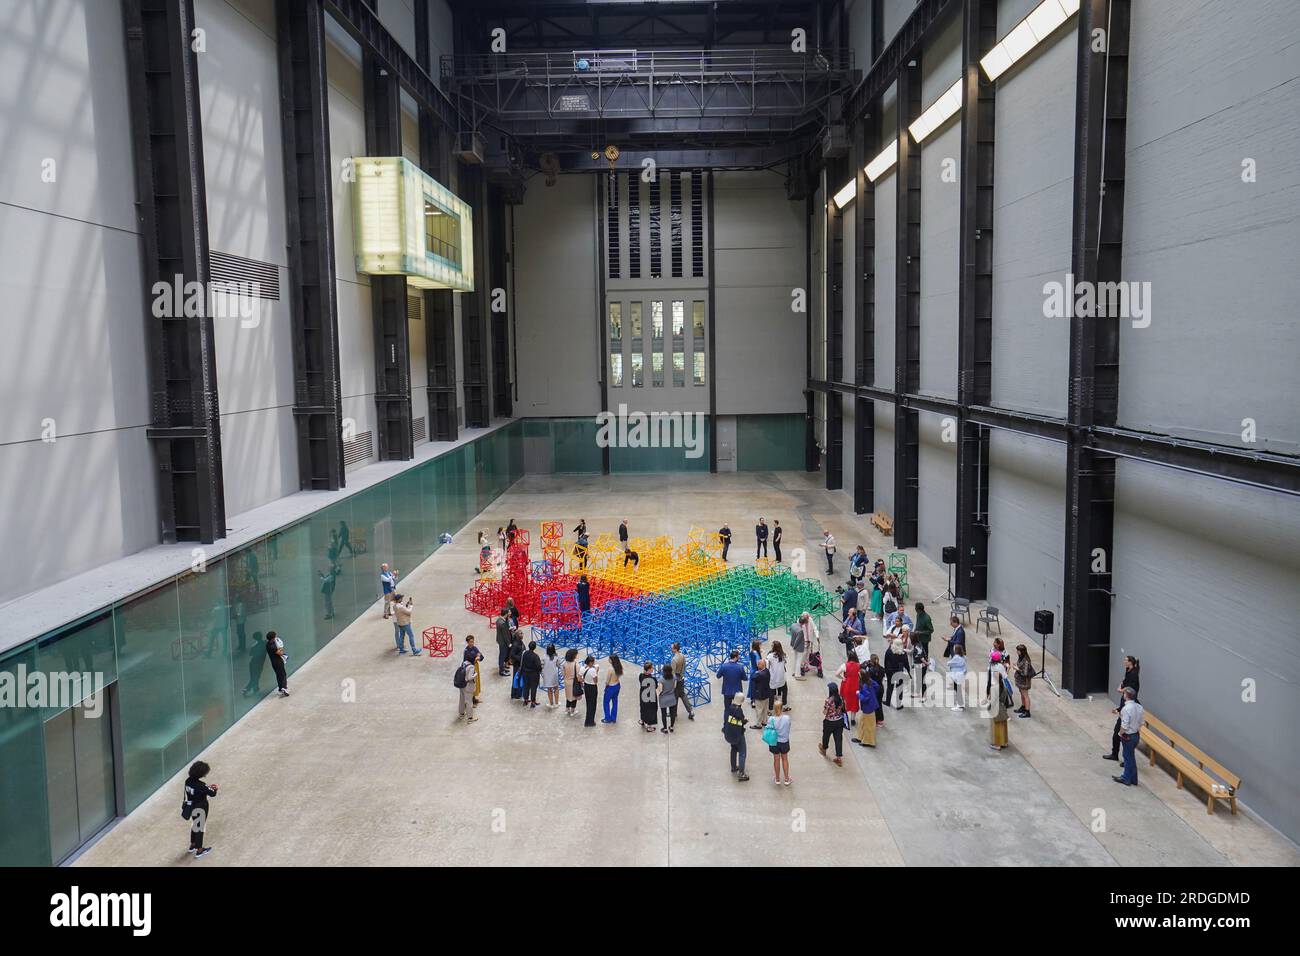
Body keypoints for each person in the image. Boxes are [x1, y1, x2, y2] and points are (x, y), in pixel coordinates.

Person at [1104, 656, 1141, 762]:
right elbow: (1125, 682)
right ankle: (1115, 754)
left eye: (1126, 660)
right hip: (1123, 706)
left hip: (1126, 710)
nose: (1124, 662)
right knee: (1117, 735)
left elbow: (1132, 688)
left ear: (1130, 662)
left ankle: (1126, 761)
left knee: (1122, 736)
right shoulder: (1129, 671)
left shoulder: (1133, 675)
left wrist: (1122, 690)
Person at [182, 761, 218, 857]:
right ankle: (199, 850)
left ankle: (192, 845)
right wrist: (215, 788)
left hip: (191, 807)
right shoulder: (201, 785)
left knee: (195, 825)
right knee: (200, 828)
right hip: (201, 807)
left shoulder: (187, 781)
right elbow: (212, 794)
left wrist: (206, 788)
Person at [1113, 687, 1145, 786]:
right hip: (1136, 735)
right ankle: (1133, 779)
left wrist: (1120, 733)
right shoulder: (1139, 707)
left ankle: (1126, 778)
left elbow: (1125, 725)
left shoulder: (1126, 709)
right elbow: (1141, 722)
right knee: (1131, 757)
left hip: (1128, 736)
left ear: (1126, 696)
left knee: (1127, 757)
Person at [723, 693, 750, 781]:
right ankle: (741, 773)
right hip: (738, 734)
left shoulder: (730, 708)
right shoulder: (738, 710)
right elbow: (740, 721)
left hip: (730, 733)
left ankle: (734, 767)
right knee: (742, 752)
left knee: (733, 749)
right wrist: (744, 721)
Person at [987, 651, 1011, 751]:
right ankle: (1004, 741)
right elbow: (1005, 677)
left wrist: (987, 694)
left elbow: (989, 682)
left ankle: (997, 743)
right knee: (1002, 716)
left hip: (994, 690)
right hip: (1002, 690)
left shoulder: (990, 668)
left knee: (996, 717)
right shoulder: (1001, 667)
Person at [818, 682, 846, 766]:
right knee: (838, 739)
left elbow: (825, 712)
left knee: (826, 735)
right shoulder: (841, 698)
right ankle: (839, 758)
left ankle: (824, 749)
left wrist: (825, 710)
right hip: (839, 721)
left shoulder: (829, 700)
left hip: (829, 722)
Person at [766, 700, 792, 785]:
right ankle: (786, 779)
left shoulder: (771, 719)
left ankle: (777, 779)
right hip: (784, 741)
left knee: (776, 759)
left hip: (774, 742)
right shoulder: (787, 718)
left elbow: (768, 729)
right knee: (784, 759)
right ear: (781, 708)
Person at [853, 670, 880, 747]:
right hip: (871, 706)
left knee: (869, 725)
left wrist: (859, 694)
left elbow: (865, 698)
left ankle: (868, 742)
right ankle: (860, 737)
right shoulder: (870, 681)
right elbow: (877, 686)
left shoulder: (864, 685)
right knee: (862, 722)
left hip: (868, 708)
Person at [670, 643, 695, 720]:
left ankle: (673, 713)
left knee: (675, 696)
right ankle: (690, 711)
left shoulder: (674, 660)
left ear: (675, 649)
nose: (671, 649)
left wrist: (672, 683)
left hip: (676, 679)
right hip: (681, 677)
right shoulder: (682, 656)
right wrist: (682, 676)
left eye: (672, 648)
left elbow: (672, 673)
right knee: (682, 694)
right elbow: (684, 667)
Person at [717, 650, 747, 715]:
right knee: (737, 709)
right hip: (737, 692)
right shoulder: (740, 667)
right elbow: (745, 678)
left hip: (727, 691)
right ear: (735, 657)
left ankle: (726, 723)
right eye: (738, 656)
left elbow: (718, 676)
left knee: (727, 709)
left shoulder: (724, 666)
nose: (739, 658)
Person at [883, 638, 907, 710]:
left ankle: (888, 701)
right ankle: (898, 705)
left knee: (890, 687)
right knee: (899, 687)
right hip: (899, 672)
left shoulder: (889, 651)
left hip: (890, 672)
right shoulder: (903, 653)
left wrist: (886, 671)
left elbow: (885, 661)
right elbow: (906, 663)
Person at [1013, 644, 1036, 718]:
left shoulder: (1026, 661)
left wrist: (1017, 668)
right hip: (1020, 680)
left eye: (1018, 650)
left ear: (1021, 651)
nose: (1017, 652)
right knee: (1022, 694)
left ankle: (1027, 711)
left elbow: (1025, 673)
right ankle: (1023, 707)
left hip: (1024, 681)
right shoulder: (1021, 658)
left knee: (1025, 695)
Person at [838, 650, 861, 726]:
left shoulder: (844, 665)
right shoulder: (859, 665)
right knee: (854, 702)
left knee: (844, 702)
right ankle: (853, 720)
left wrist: (843, 677)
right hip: (855, 686)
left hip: (846, 685)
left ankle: (844, 718)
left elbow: (836, 674)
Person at [241, 631, 266, 697]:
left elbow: (251, 654)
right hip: (259, 664)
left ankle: (256, 688)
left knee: (253, 676)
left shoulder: (254, 645)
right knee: (256, 677)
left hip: (252, 663)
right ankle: (247, 688)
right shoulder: (264, 643)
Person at [864, 654, 887, 726]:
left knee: (876, 704)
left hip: (874, 688)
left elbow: (865, 674)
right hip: (880, 687)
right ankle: (880, 719)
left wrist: (866, 664)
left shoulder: (870, 670)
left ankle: (878, 720)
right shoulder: (882, 669)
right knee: (879, 703)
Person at [749, 658, 772, 729]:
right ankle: (764, 721)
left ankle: (758, 724)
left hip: (760, 695)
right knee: (765, 709)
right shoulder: (767, 671)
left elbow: (752, 677)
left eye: (758, 664)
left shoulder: (759, 674)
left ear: (761, 665)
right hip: (766, 693)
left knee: (759, 710)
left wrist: (756, 672)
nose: (757, 665)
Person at [266, 630, 289, 697]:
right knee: (283, 674)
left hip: (274, 662)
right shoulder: (272, 647)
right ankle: (284, 688)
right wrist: (281, 647)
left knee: (278, 675)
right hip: (278, 662)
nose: (276, 637)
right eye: (275, 636)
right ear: (273, 638)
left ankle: (280, 689)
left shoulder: (268, 644)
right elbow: (280, 653)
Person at [766, 642, 789, 710]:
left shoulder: (770, 656)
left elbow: (767, 666)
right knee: (785, 691)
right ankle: (784, 706)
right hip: (781, 677)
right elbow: (785, 662)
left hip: (773, 677)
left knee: (771, 694)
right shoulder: (783, 655)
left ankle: (770, 709)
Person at [455, 656, 478, 722]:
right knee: (469, 702)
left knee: (461, 699)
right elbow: (469, 678)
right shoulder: (471, 667)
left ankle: (461, 714)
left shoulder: (464, 663)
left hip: (461, 684)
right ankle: (470, 718)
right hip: (468, 686)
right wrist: (475, 674)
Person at [602, 654, 623, 723]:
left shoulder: (610, 669)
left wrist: (605, 687)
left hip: (610, 687)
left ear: (612, 660)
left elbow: (607, 681)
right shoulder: (619, 667)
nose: (608, 660)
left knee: (606, 702)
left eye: (609, 659)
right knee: (615, 702)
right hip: (617, 685)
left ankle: (607, 718)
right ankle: (613, 718)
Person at [657, 664, 678, 733]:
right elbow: (675, 687)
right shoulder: (674, 677)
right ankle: (671, 727)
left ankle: (665, 728)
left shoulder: (661, 679)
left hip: (663, 699)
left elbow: (660, 690)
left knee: (664, 714)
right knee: (672, 714)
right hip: (672, 698)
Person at [639, 661, 660, 732]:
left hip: (643, 696)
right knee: (652, 711)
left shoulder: (641, 676)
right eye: (652, 668)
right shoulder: (653, 679)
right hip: (651, 697)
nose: (653, 669)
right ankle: (649, 726)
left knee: (643, 708)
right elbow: (656, 687)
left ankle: (642, 720)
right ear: (649, 669)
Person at [522, 641, 544, 708]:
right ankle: (533, 702)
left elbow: (522, 662)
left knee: (526, 686)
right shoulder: (535, 656)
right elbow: (538, 666)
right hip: (534, 674)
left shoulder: (525, 653)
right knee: (533, 688)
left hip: (525, 673)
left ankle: (525, 700)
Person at [464, 636, 484, 705]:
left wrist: (479, 657)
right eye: (470, 642)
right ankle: (471, 700)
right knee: (471, 683)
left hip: (475, 666)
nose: (472, 643)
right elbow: (468, 660)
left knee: (476, 682)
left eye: (473, 641)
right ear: (467, 642)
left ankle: (474, 698)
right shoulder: (466, 651)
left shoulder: (474, 648)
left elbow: (481, 656)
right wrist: (476, 657)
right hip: (470, 668)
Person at [947, 643, 967, 710]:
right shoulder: (963, 657)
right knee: (959, 689)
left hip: (957, 675)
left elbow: (948, 663)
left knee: (957, 690)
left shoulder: (956, 657)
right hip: (961, 675)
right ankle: (961, 704)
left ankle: (959, 706)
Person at [581, 655, 600, 726]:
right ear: (591, 663)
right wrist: (596, 671)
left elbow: (579, 678)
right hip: (592, 687)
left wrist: (584, 680)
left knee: (588, 703)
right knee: (593, 704)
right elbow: (596, 681)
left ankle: (588, 720)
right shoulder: (592, 670)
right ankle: (590, 721)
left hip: (586, 686)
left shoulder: (583, 668)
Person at [562, 649, 582, 717]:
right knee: (574, 697)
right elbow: (578, 676)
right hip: (573, 683)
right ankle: (572, 711)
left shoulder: (564, 663)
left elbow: (563, 673)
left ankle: (567, 709)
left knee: (568, 696)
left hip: (567, 682)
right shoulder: (576, 665)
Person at [541, 644, 561, 708]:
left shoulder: (544, 656)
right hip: (554, 675)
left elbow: (541, 666)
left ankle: (551, 704)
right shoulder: (556, 656)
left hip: (547, 675)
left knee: (549, 689)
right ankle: (557, 703)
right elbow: (558, 665)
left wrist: (542, 673)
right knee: (556, 688)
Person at [508, 633, 526, 701]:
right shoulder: (515, 644)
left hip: (521, 663)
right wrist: (520, 658)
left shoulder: (520, 642)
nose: (522, 634)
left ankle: (519, 693)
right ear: (518, 636)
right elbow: (512, 654)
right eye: (521, 633)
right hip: (517, 664)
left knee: (519, 678)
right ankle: (514, 694)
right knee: (516, 679)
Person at [495, 609, 512, 676]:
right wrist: (509, 643)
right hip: (503, 642)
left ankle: (502, 668)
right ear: (505, 614)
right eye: (507, 613)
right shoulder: (503, 623)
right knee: (502, 656)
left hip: (500, 640)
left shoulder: (498, 620)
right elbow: (505, 635)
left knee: (502, 655)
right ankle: (501, 671)